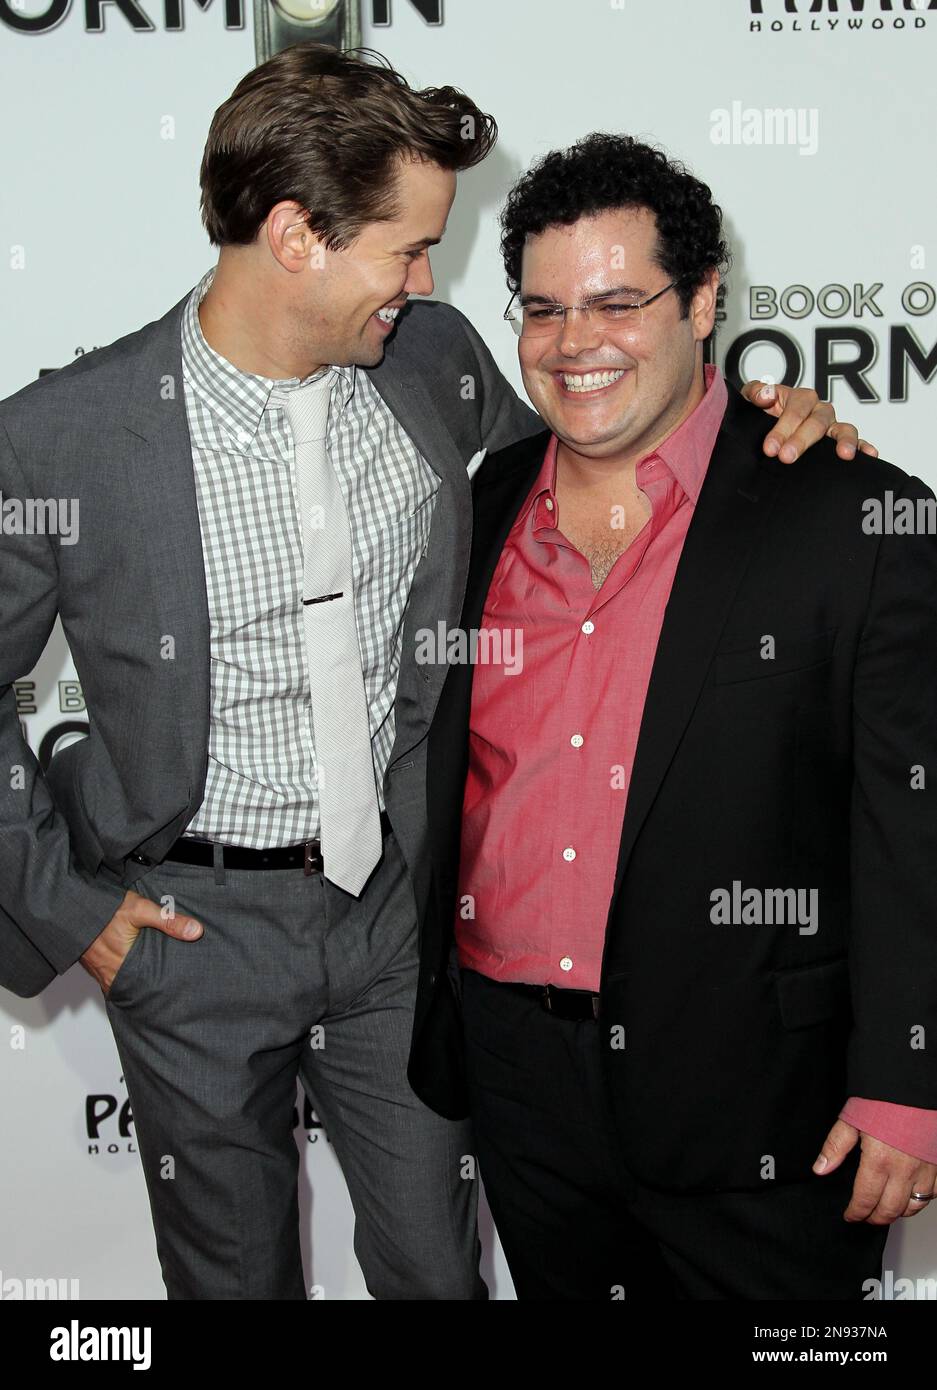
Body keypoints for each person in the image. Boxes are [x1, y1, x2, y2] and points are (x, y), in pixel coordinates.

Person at [0, 47, 867, 1300]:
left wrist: (774, 431)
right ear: (295, 234)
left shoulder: (432, 361)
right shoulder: (63, 437)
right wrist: (75, 917)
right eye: (406, 249)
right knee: (229, 1280)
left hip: (402, 927)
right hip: (188, 931)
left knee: (435, 1272)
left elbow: (601, 468)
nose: (428, 279)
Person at [416, 132, 937, 1300]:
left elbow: (914, 824)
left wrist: (909, 1076)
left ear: (704, 301)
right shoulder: (482, 501)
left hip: (764, 1097)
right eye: (541, 309)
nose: (571, 343)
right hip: (518, 1078)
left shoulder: (852, 514)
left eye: (615, 302)